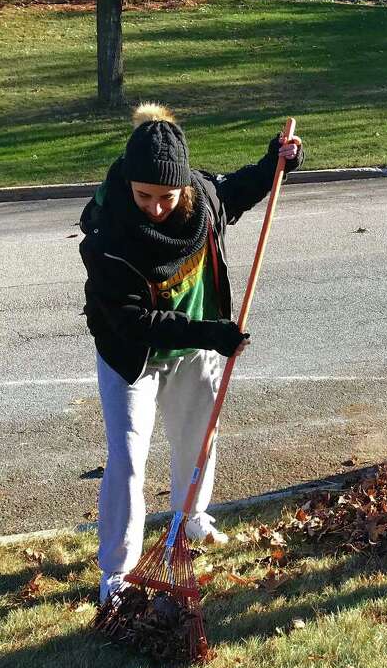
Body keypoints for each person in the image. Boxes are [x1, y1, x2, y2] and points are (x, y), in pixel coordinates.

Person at [79, 103, 303, 603]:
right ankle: (116, 571)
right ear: (129, 186)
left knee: (198, 439)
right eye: (144, 196)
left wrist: (275, 162)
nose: (154, 207)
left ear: (184, 187)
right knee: (128, 462)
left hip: (195, 348)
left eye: (165, 196)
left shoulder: (201, 199)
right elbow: (132, 321)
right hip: (130, 358)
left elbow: (237, 193)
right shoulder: (107, 234)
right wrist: (210, 334)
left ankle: (193, 519)